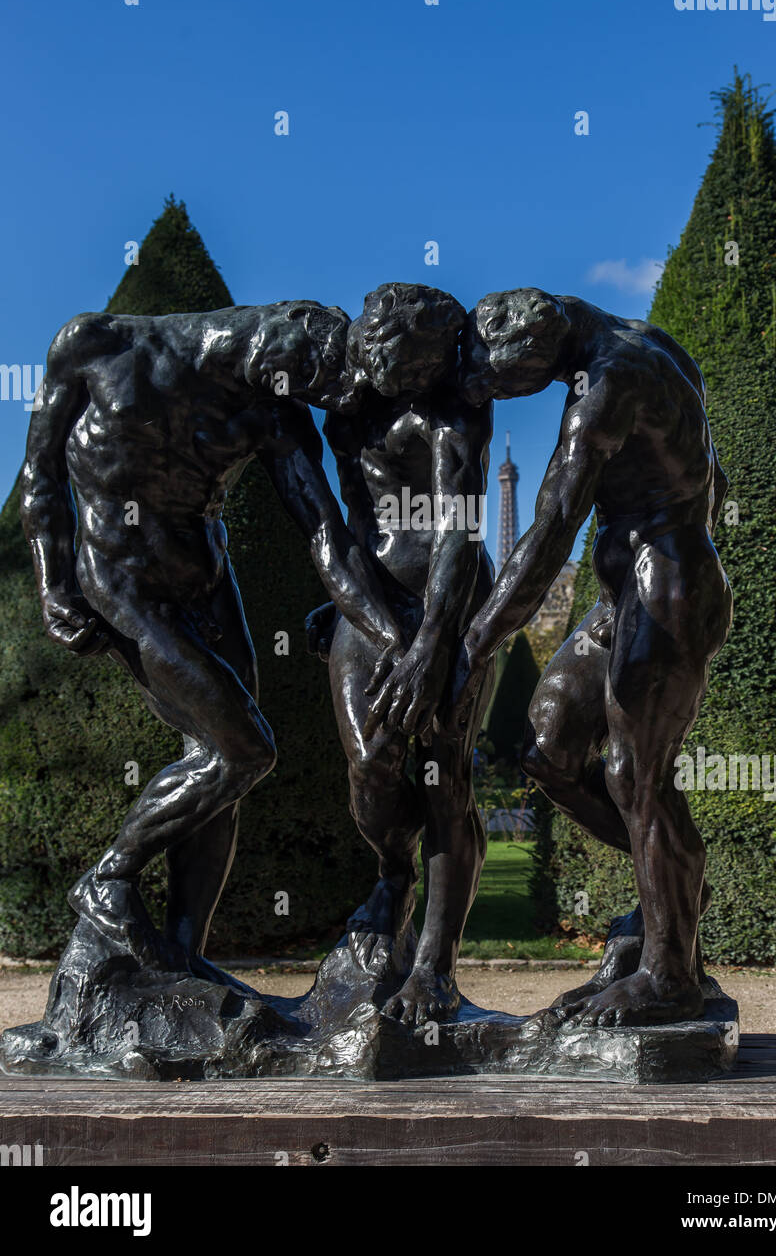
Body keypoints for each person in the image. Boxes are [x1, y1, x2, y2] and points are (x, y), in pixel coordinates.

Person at [21, 300, 405, 977]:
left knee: (218, 761)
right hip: (123, 584)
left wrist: (389, 632)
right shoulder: (96, 345)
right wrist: (54, 586)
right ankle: (108, 877)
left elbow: (325, 535)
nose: (292, 393)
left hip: (210, 586)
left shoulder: (273, 410)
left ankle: (182, 954)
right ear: (279, 321)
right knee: (243, 751)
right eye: (299, 373)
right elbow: (40, 478)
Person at [446, 288, 732, 1026]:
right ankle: (675, 882)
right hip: (622, 590)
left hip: (666, 582)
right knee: (548, 749)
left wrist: (471, 648)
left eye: (502, 379)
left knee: (635, 775)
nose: (499, 393)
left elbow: (546, 533)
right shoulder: (653, 346)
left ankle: (670, 973)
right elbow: (712, 471)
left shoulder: (607, 385)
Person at [311, 283, 495, 1025]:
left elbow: (461, 532)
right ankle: (394, 873)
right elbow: (351, 514)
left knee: (445, 776)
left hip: (451, 600)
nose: (389, 370)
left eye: (407, 361)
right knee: (368, 767)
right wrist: (354, 599)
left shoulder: (456, 409)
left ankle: (435, 968)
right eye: (378, 354)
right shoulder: (347, 407)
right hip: (375, 595)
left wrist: (435, 642)